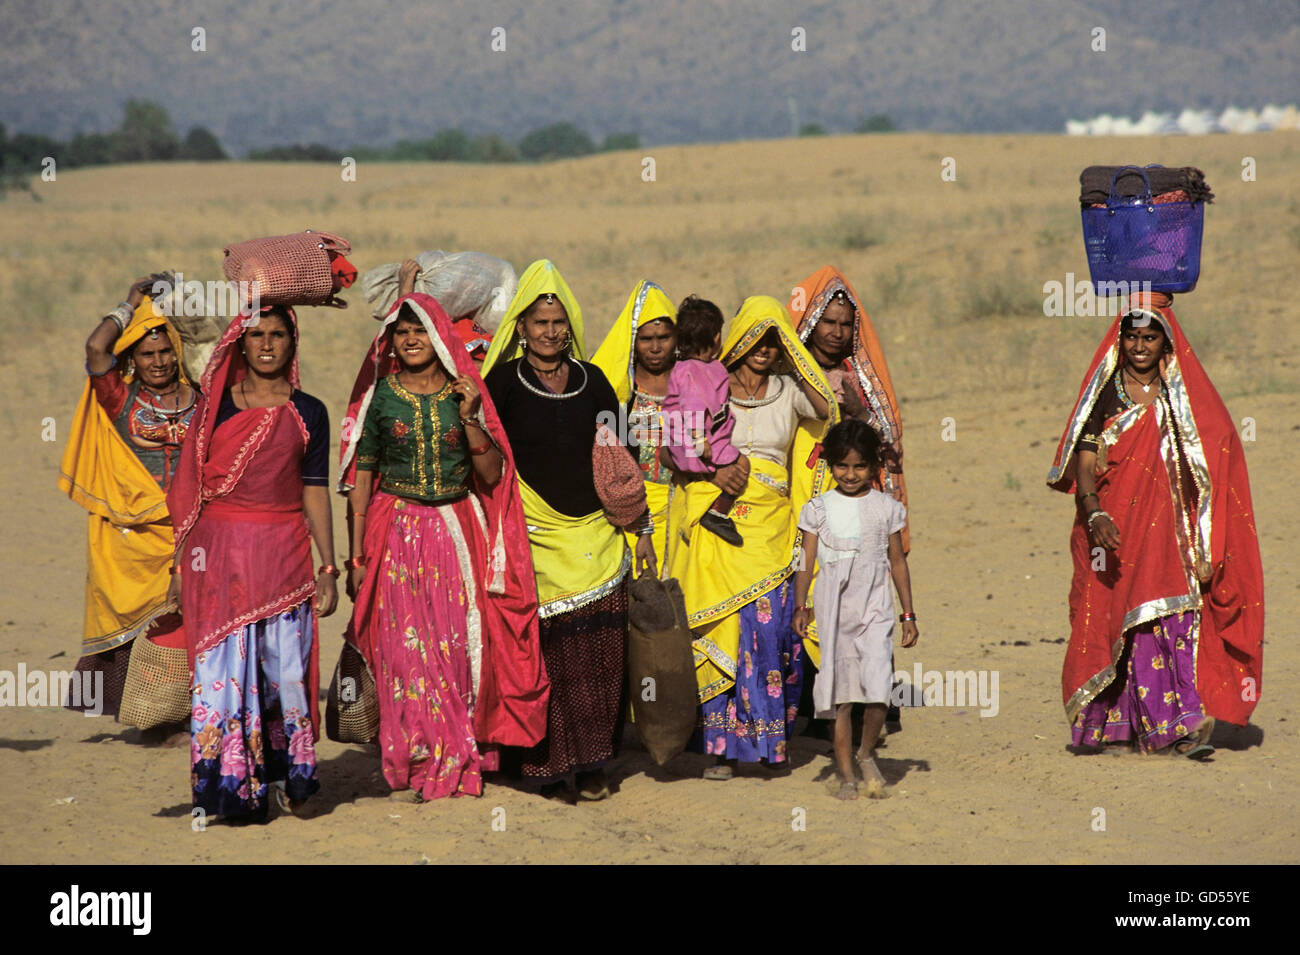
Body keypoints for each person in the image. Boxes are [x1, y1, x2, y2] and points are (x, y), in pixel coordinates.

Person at [337, 292, 549, 801]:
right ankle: (418, 756)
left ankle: (456, 755)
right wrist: (358, 555)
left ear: (437, 338)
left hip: (457, 531)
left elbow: (492, 473)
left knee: (455, 649)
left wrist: (471, 416)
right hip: (397, 532)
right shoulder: (382, 397)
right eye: (401, 332)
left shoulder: (465, 393)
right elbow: (362, 476)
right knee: (405, 651)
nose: (410, 340)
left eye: (419, 331)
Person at [1047, 291, 1264, 758]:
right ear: (1120, 340)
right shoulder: (1108, 391)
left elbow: (1219, 441)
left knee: (1171, 620)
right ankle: (1118, 727)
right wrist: (1094, 510)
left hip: (1172, 534)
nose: (1140, 346)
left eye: (1150, 337)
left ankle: (1177, 728)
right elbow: (1086, 460)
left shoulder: (1182, 394)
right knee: (1112, 620)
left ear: (1167, 343)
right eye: (1132, 337)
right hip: (1114, 531)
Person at [482, 260, 655, 801]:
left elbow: (623, 457)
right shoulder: (504, 382)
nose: (550, 332)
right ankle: (548, 766)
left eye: (558, 322)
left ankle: (596, 761)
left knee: (601, 651)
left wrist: (640, 526)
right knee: (546, 654)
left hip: (597, 534)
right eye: (539, 322)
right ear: (521, 328)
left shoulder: (595, 381)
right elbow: (484, 450)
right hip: (531, 531)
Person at [167, 305, 338, 822]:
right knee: (222, 673)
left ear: (293, 342)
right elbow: (190, 491)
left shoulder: (310, 411)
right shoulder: (213, 408)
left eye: (278, 335)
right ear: (239, 346)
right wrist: (179, 571)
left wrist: (328, 567)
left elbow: (314, 491)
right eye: (256, 335)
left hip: (283, 554)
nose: (267, 344)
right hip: (216, 557)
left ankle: (294, 779)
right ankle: (232, 787)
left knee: (284, 671)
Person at [667, 295, 835, 778]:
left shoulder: (788, 389)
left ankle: (766, 744)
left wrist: (798, 359)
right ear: (735, 338)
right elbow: (671, 448)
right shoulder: (706, 382)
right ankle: (721, 749)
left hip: (772, 526)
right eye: (756, 337)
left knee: (771, 633)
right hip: (719, 523)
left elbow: (827, 409)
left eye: (773, 339)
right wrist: (714, 475)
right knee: (722, 630)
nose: (763, 349)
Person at [59, 277, 198, 739]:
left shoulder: (201, 399)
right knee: (138, 629)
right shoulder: (121, 397)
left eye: (164, 351)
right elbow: (96, 349)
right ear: (132, 360)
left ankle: (182, 714)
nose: (157, 361)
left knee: (186, 622)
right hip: (131, 536)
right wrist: (131, 303)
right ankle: (148, 718)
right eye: (146, 353)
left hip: (188, 531)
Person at [789, 266, 909, 735]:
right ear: (811, 322)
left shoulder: (859, 377)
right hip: (802, 500)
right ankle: (816, 710)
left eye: (845, 324)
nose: (837, 333)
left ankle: (871, 708)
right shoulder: (785, 371)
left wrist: (858, 411)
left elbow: (886, 438)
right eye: (828, 322)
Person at [792, 419, 917, 800]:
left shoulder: (886, 508)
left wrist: (908, 613)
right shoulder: (817, 509)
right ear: (830, 464)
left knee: (878, 691)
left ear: (874, 467)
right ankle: (845, 773)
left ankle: (865, 753)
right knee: (842, 695)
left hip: (876, 606)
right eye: (842, 466)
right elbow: (805, 561)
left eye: (859, 466)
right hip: (833, 610)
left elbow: (897, 562)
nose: (850, 474)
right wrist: (801, 605)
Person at [591, 279, 678, 568]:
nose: (655, 347)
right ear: (632, 341)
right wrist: (640, 522)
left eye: (663, 337)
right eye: (646, 339)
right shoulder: (618, 393)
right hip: (629, 511)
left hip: (684, 508)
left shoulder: (693, 384)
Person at [661, 297, 743, 546]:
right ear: (717, 337)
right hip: (694, 443)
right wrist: (699, 439)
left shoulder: (700, 367)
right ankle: (717, 512)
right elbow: (693, 406)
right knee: (744, 464)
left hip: (697, 438)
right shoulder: (691, 372)